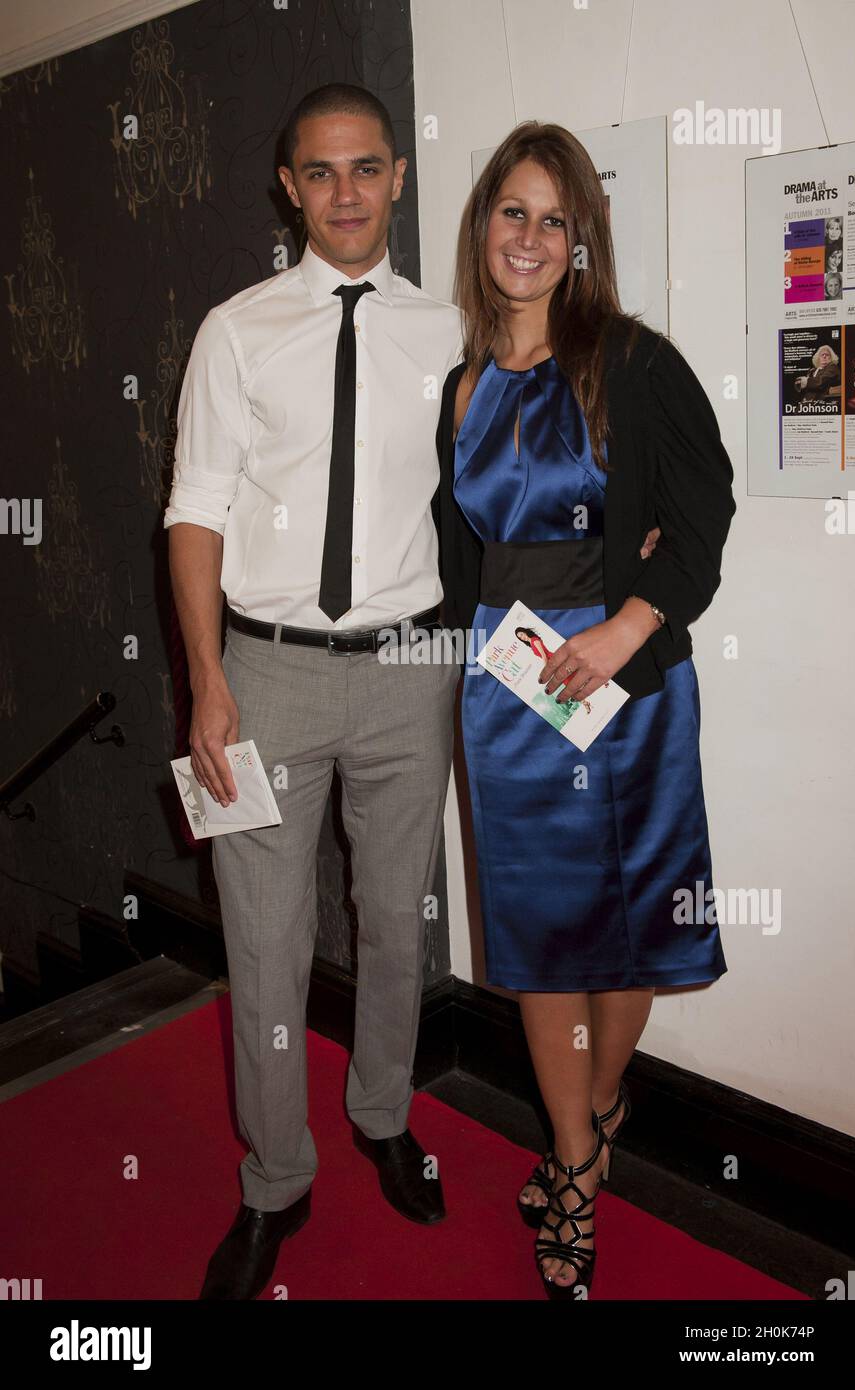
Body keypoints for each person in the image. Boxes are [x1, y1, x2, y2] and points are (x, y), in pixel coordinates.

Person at [165, 83, 463, 1300]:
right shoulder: (236, 331)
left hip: (410, 671)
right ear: (289, 186)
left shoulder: (448, 329)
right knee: (267, 942)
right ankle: (276, 1177)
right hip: (266, 675)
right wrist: (206, 681)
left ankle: (382, 1114)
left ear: (397, 177)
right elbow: (196, 512)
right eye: (321, 172)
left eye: (367, 169)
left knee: (398, 924)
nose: (346, 192)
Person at [434, 121, 736, 1298]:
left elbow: (702, 514)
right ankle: (573, 1158)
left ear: (581, 243)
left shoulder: (632, 360)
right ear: (483, 227)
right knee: (544, 938)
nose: (531, 236)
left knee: (639, 927)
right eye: (514, 211)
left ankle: (600, 1102)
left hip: (629, 685)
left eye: (556, 219)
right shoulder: (457, 383)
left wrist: (627, 625)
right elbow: (461, 555)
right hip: (510, 693)